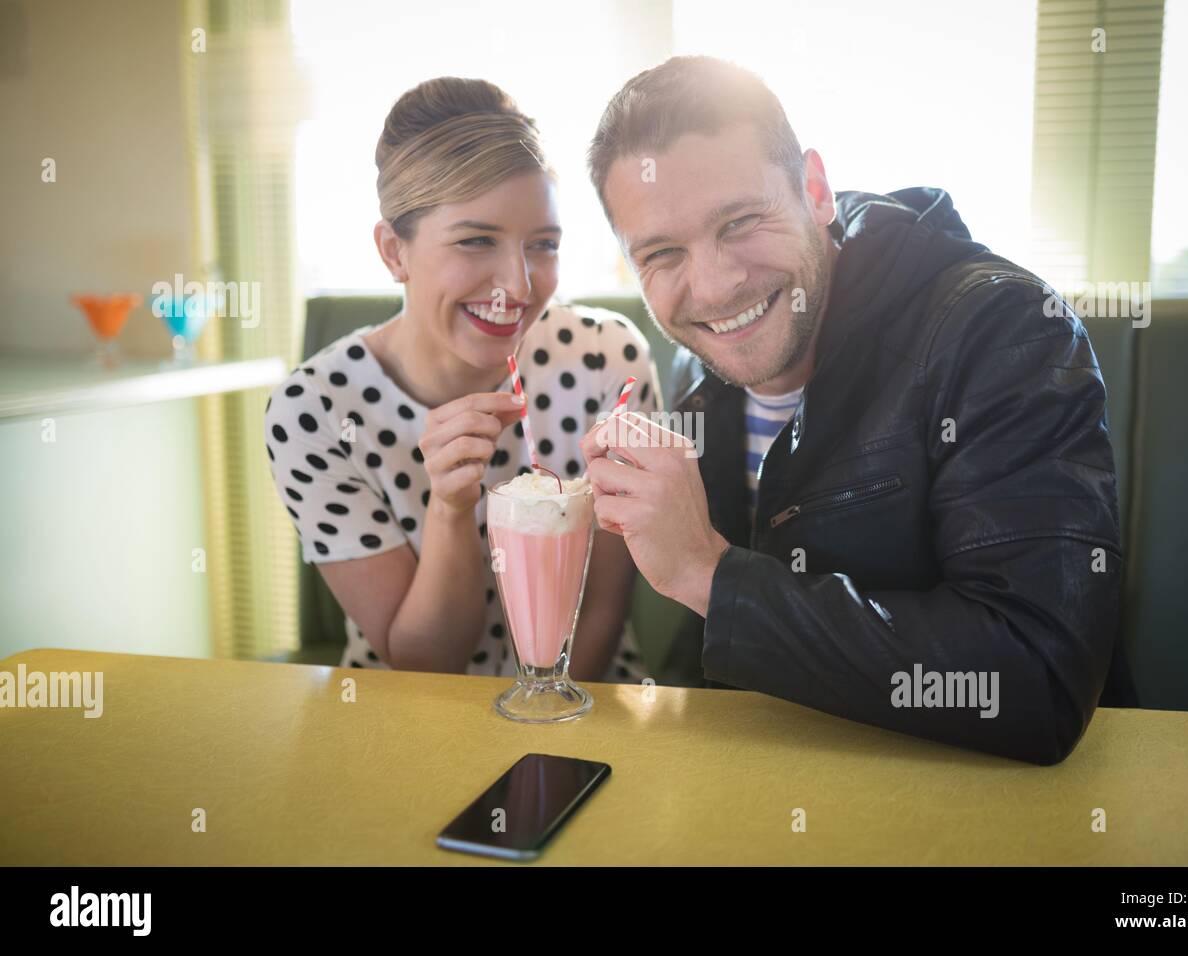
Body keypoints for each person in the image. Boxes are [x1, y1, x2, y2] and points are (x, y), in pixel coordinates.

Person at [579, 55, 1138, 764]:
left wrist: (710, 577)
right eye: (662, 254)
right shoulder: (701, 365)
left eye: (741, 221)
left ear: (815, 189)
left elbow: (1035, 679)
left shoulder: (1005, 327)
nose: (715, 287)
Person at [264, 77, 660, 681]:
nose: (520, 286)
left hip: (587, 708)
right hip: (415, 723)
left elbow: (601, 610)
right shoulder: (313, 412)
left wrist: (542, 731)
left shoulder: (608, 361)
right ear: (394, 252)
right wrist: (448, 506)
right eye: (476, 241)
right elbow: (425, 659)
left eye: (543, 245)